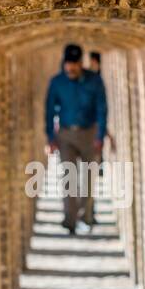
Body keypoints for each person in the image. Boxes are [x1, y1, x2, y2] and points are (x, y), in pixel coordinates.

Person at [45, 43, 107, 234]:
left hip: (89, 134)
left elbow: (102, 109)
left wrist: (100, 135)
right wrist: (50, 137)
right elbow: (48, 110)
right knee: (69, 178)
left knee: (89, 178)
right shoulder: (57, 82)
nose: (70, 68)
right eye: (67, 64)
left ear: (81, 63)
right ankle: (69, 219)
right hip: (65, 135)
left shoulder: (95, 81)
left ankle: (85, 216)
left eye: (74, 64)